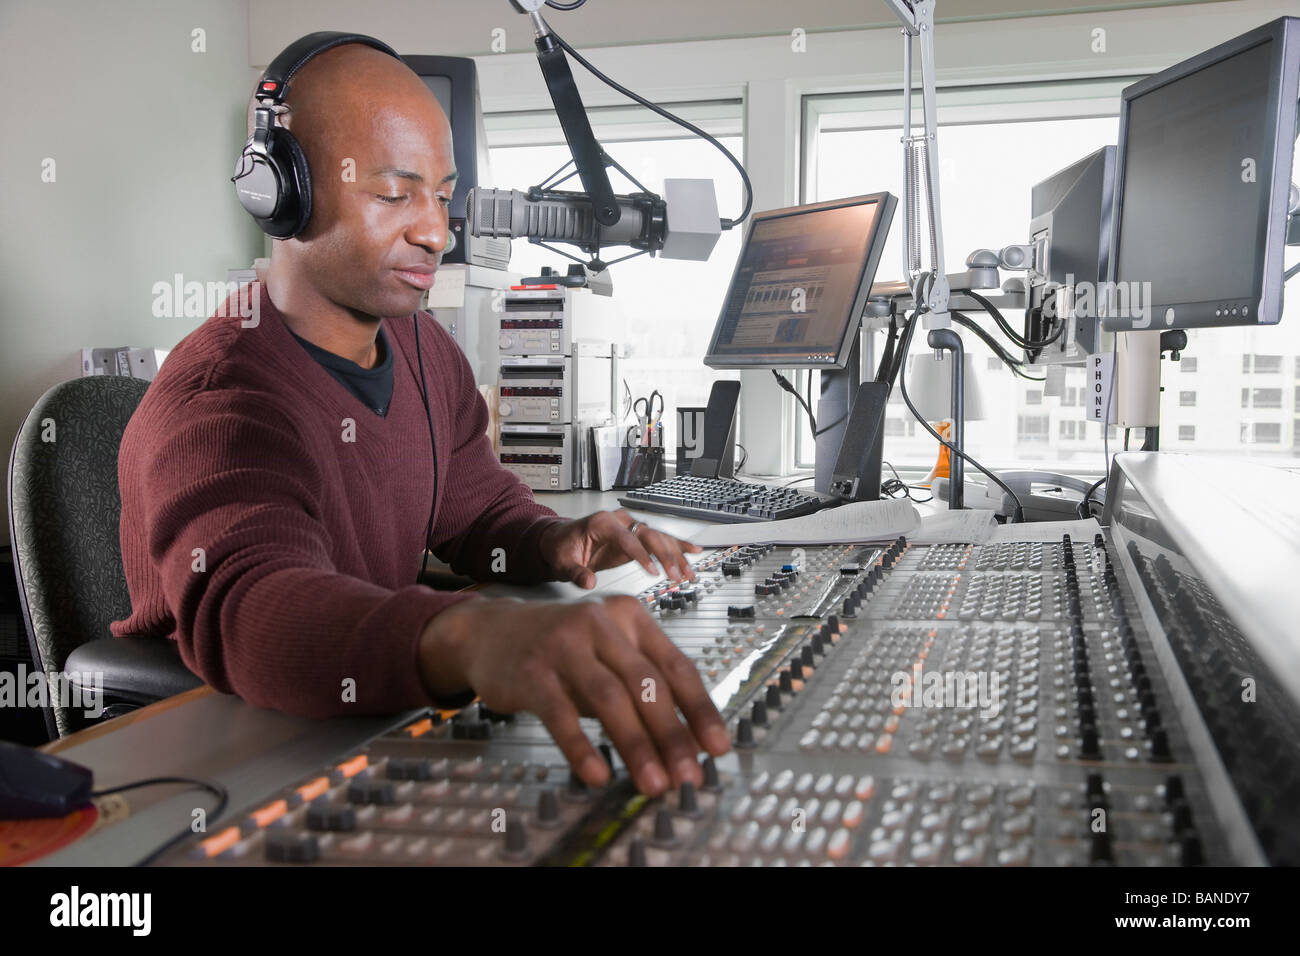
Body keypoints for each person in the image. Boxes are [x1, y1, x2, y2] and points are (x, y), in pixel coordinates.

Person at [111, 35, 728, 797]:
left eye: (442, 194)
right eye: (395, 192)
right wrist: (466, 633)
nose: (436, 231)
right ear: (282, 193)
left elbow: (473, 508)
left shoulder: (419, 342)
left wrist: (555, 540)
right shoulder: (225, 398)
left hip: (361, 721)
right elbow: (250, 605)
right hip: (227, 756)